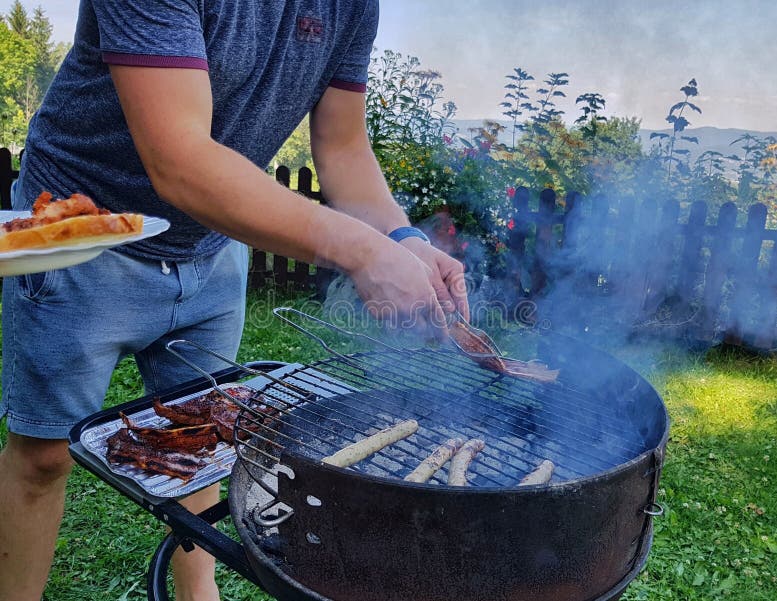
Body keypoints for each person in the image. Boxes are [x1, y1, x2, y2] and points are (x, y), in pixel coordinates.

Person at [0, 1, 468, 600]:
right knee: (42, 457)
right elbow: (179, 160)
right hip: (85, 236)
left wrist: (403, 241)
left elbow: (346, 147)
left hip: (215, 244)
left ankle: (200, 595)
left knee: (209, 435)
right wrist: (363, 253)